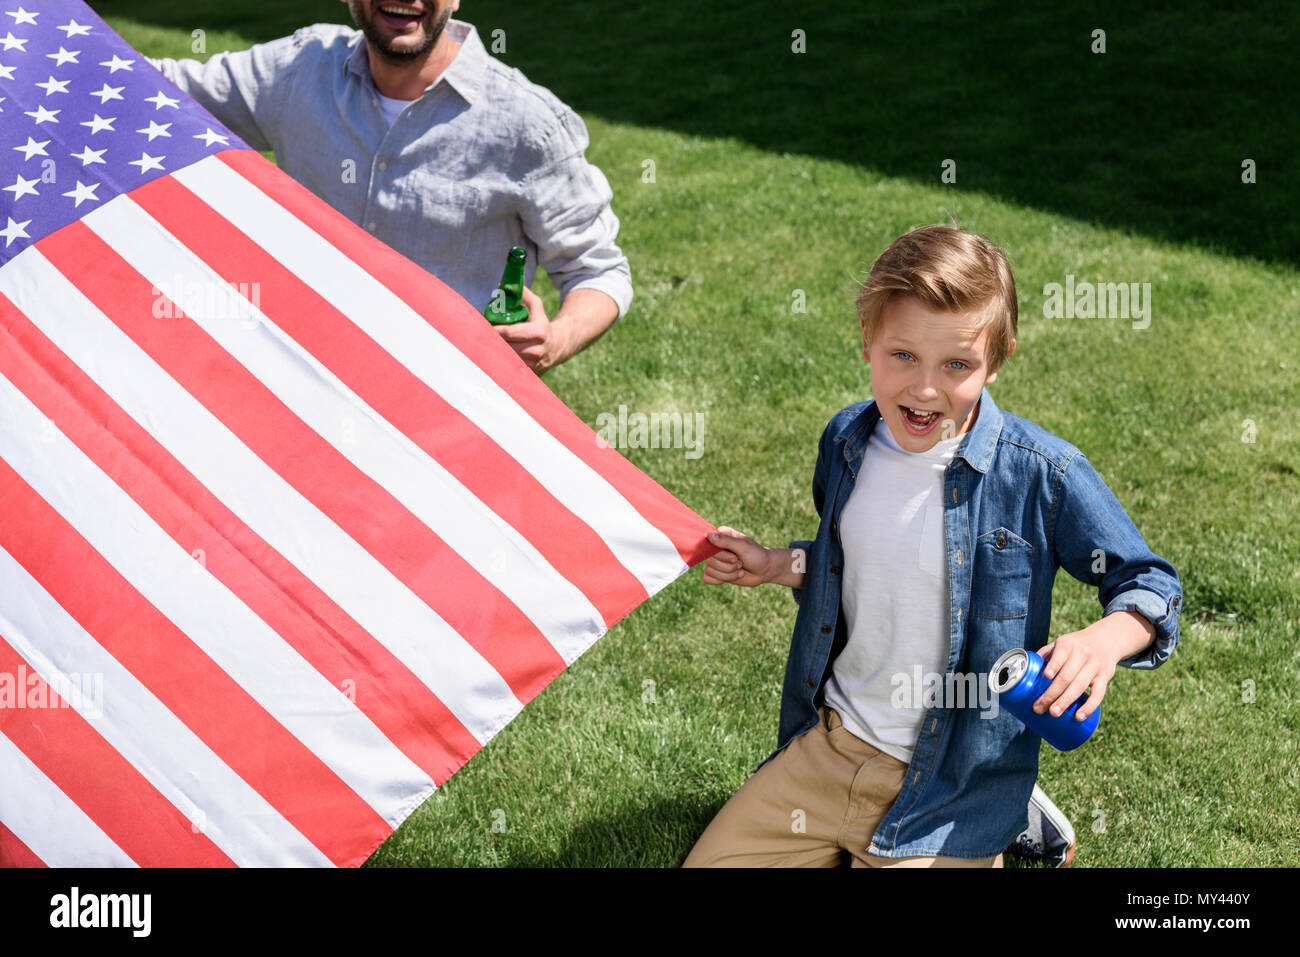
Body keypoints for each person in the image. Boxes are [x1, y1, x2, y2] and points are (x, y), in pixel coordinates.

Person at [685, 225, 1182, 867]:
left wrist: (1104, 642)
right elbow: (856, 564)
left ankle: (1005, 811)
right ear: (867, 340)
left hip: (951, 787)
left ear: (996, 359)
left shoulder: (1040, 473)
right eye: (902, 356)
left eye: (956, 365)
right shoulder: (847, 443)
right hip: (829, 749)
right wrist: (780, 564)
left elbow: (1150, 582)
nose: (924, 390)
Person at [150, 1, 631, 374]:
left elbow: (599, 270)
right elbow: (159, 91)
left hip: (454, 416)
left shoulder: (528, 126)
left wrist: (557, 339)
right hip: (300, 385)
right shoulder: (299, 71)